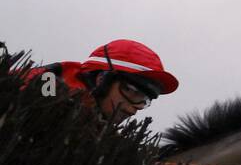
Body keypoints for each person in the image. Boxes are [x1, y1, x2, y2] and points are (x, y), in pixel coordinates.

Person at [21, 39, 178, 126]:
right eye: (132, 91)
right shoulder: (40, 90)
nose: (133, 110)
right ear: (101, 79)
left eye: (144, 100)